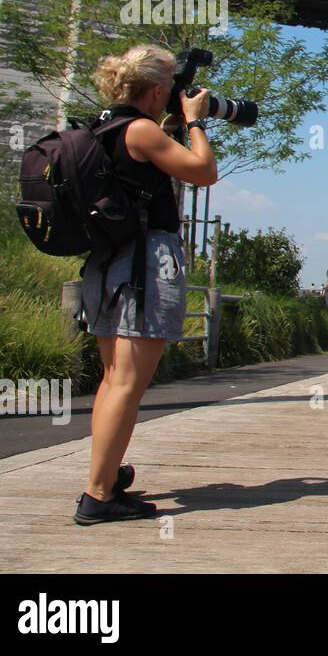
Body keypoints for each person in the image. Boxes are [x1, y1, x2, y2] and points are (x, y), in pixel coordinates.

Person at [75, 44, 218, 524]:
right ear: (158, 90)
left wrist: (173, 129)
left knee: (113, 381)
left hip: (106, 262)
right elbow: (203, 172)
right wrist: (195, 121)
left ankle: (107, 479)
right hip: (142, 264)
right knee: (129, 385)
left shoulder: (103, 126)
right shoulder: (140, 130)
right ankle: (98, 495)